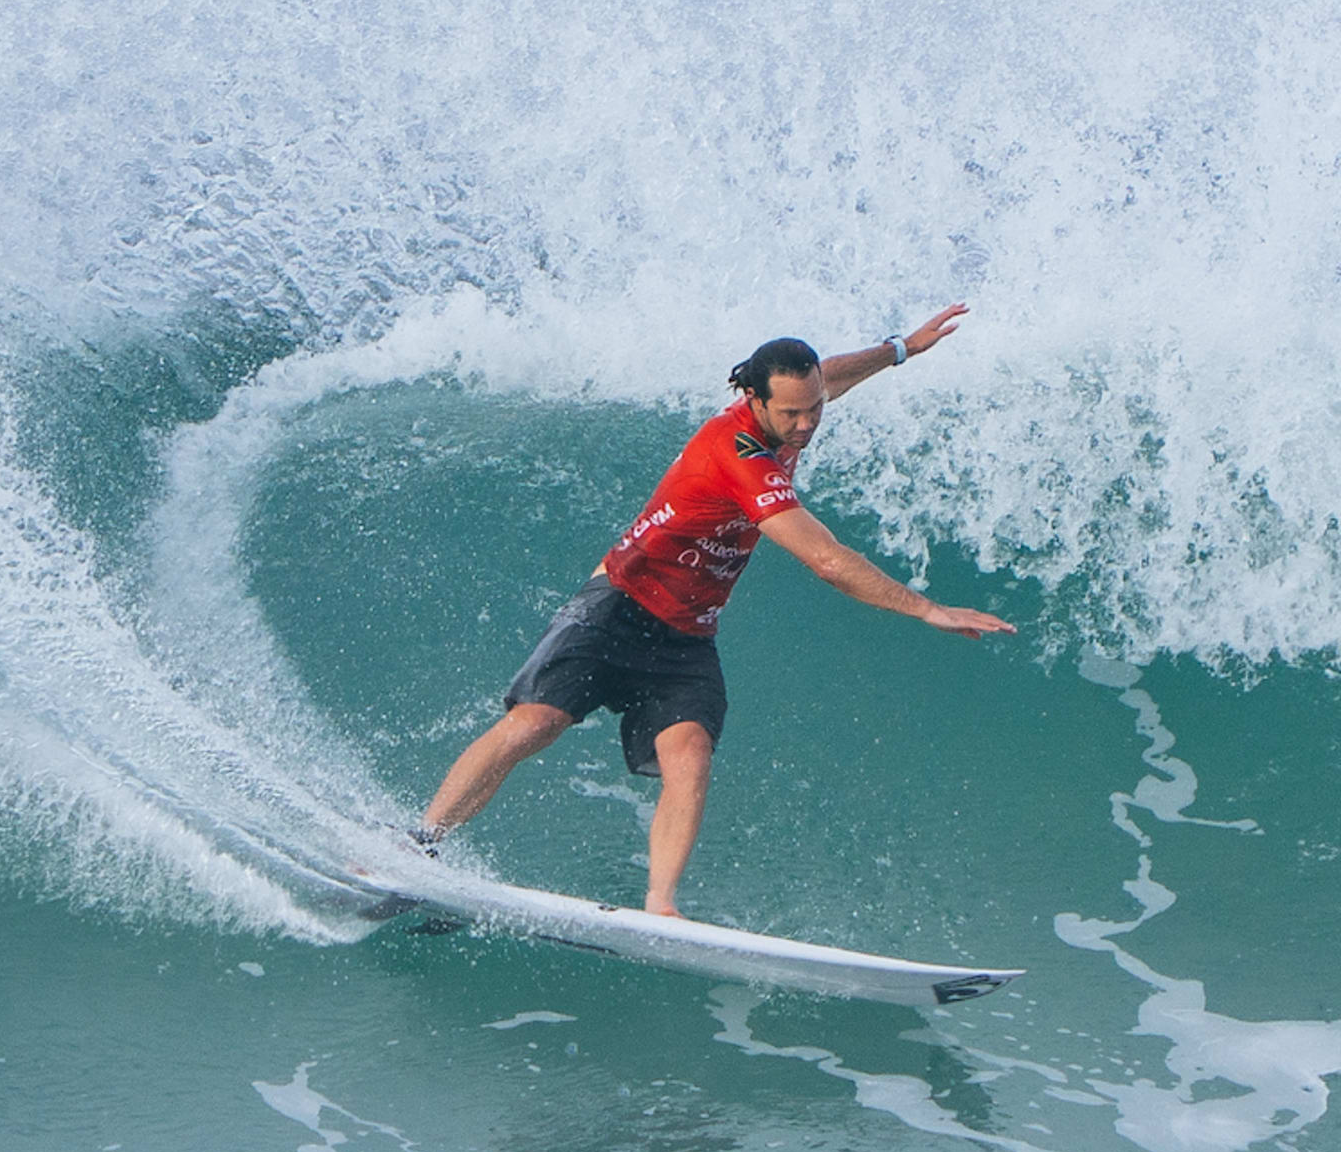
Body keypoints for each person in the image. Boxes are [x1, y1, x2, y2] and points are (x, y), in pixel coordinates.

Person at [417, 307, 1012, 914]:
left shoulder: (794, 407)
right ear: (753, 398)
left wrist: (901, 348)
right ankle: (422, 843)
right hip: (618, 603)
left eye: (814, 409)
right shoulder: (737, 453)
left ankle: (661, 905)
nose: (807, 424)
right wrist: (927, 610)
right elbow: (827, 561)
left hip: (685, 634)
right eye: (792, 413)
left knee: (691, 755)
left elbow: (829, 375)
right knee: (536, 723)